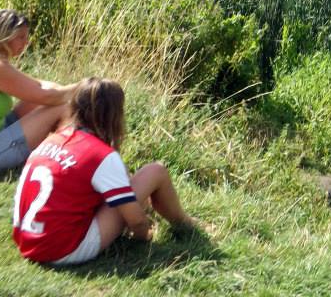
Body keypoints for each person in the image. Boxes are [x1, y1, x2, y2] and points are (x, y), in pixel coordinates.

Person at [12, 77, 197, 265]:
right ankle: (185, 224)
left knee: (119, 181)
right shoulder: (101, 155)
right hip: (63, 249)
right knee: (155, 171)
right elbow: (136, 222)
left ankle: (167, 215)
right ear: (115, 114)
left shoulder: (50, 140)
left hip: (26, 240)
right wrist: (144, 236)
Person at [0, 9, 77, 175]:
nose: (26, 42)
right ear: (4, 38)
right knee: (60, 107)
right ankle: (68, 158)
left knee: (40, 99)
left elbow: (37, 86)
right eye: (21, 37)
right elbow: (47, 96)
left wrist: (60, 88)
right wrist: (87, 87)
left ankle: (64, 152)